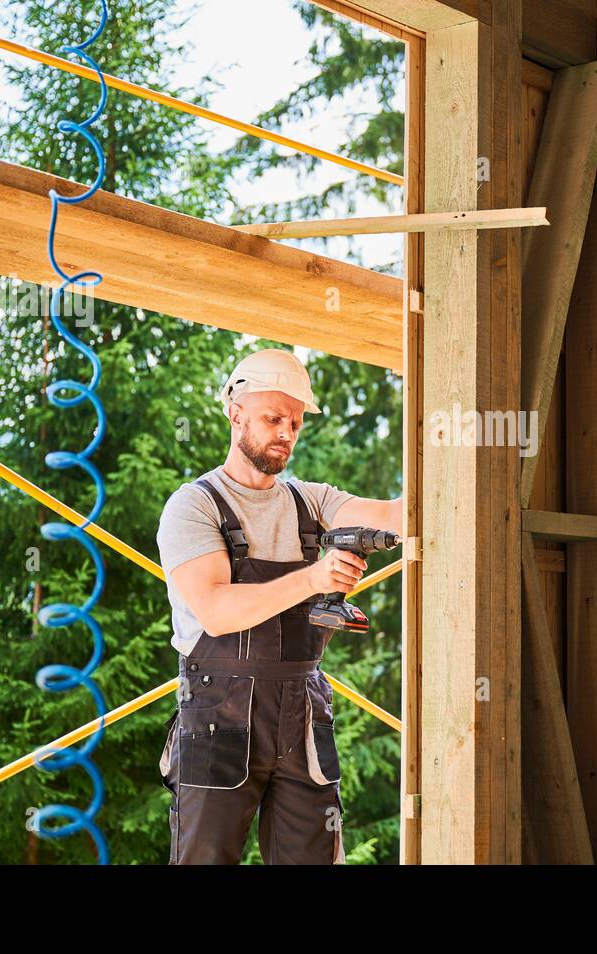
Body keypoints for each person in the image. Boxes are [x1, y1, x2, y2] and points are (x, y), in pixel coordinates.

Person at [155, 347, 402, 864]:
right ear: (235, 412)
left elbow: (398, 516)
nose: (286, 432)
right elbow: (218, 610)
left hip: (303, 707)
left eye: (294, 421)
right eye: (272, 418)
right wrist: (314, 576)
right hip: (218, 710)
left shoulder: (310, 501)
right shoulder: (194, 506)